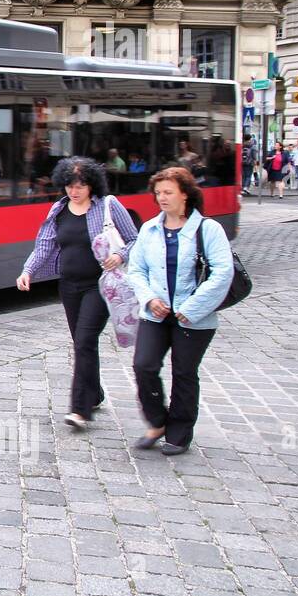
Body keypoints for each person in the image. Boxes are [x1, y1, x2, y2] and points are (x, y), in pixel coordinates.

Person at [17, 157, 138, 430]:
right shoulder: (58, 209)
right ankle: (94, 393)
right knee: (82, 342)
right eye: (70, 184)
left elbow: (134, 238)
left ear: (92, 184)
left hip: (100, 285)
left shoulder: (107, 206)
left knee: (84, 341)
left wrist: (119, 255)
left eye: (81, 184)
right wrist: (28, 271)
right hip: (68, 286)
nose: (75, 190)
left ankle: (79, 409)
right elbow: (44, 245)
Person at [127, 167, 233, 456]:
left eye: (168, 192)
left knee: (184, 373)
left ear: (185, 194)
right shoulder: (149, 229)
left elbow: (223, 273)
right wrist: (148, 299)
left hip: (193, 318)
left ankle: (180, 432)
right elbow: (136, 270)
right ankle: (158, 421)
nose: (161, 197)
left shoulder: (208, 229)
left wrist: (192, 307)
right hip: (156, 314)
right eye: (158, 192)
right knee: (143, 365)